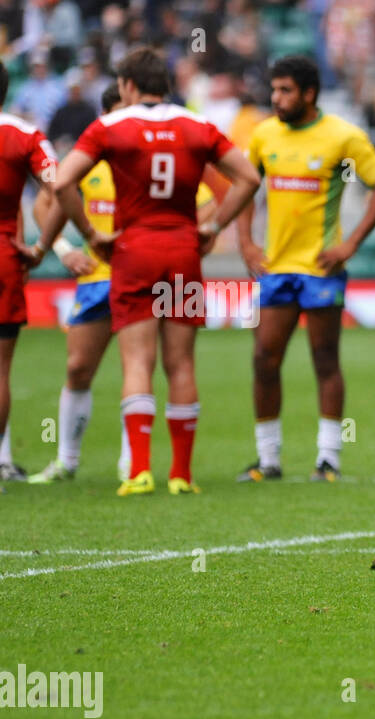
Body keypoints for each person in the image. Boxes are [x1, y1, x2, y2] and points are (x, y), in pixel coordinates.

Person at [33, 47, 261, 496]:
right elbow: (249, 178)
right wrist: (213, 225)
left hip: (133, 250)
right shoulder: (197, 125)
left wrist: (89, 235)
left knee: (137, 360)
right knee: (181, 363)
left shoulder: (110, 126)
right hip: (182, 251)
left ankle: (138, 471)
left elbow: (59, 183)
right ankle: (181, 474)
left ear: (127, 86)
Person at [235, 55, 375, 483]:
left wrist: (352, 243)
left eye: (285, 90)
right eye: (274, 89)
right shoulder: (263, 134)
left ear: (309, 94)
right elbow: (245, 188)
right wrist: (246, 242)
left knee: (325, 359)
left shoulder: (342, 137)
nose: (276, 98)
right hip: (276, 268)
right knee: (264, 359)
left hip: (320, 268)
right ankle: (267, 460)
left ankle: (328, 459)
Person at [0, 61, 59, 483]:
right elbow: (60, 188)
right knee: (0, 370)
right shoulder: (25, 136)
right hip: (4, 256)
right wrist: (42, 246)